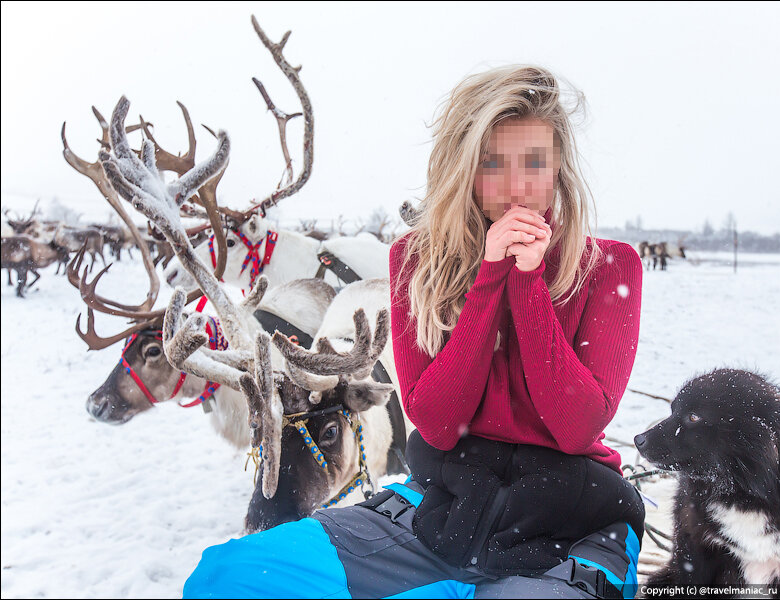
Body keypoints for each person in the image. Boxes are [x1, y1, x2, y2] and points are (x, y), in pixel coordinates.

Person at [183, 65, 644, 599]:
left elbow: (574, 425)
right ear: (463, 169)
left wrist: (527, 282)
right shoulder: (417, 263)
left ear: (560, 164)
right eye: (492, 163)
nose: (517, 187)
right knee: (228, 578)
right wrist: (490, 278)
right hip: (443, 511)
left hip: (573, 520)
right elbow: (438, 424)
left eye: (534, 163)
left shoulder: (608, 267)